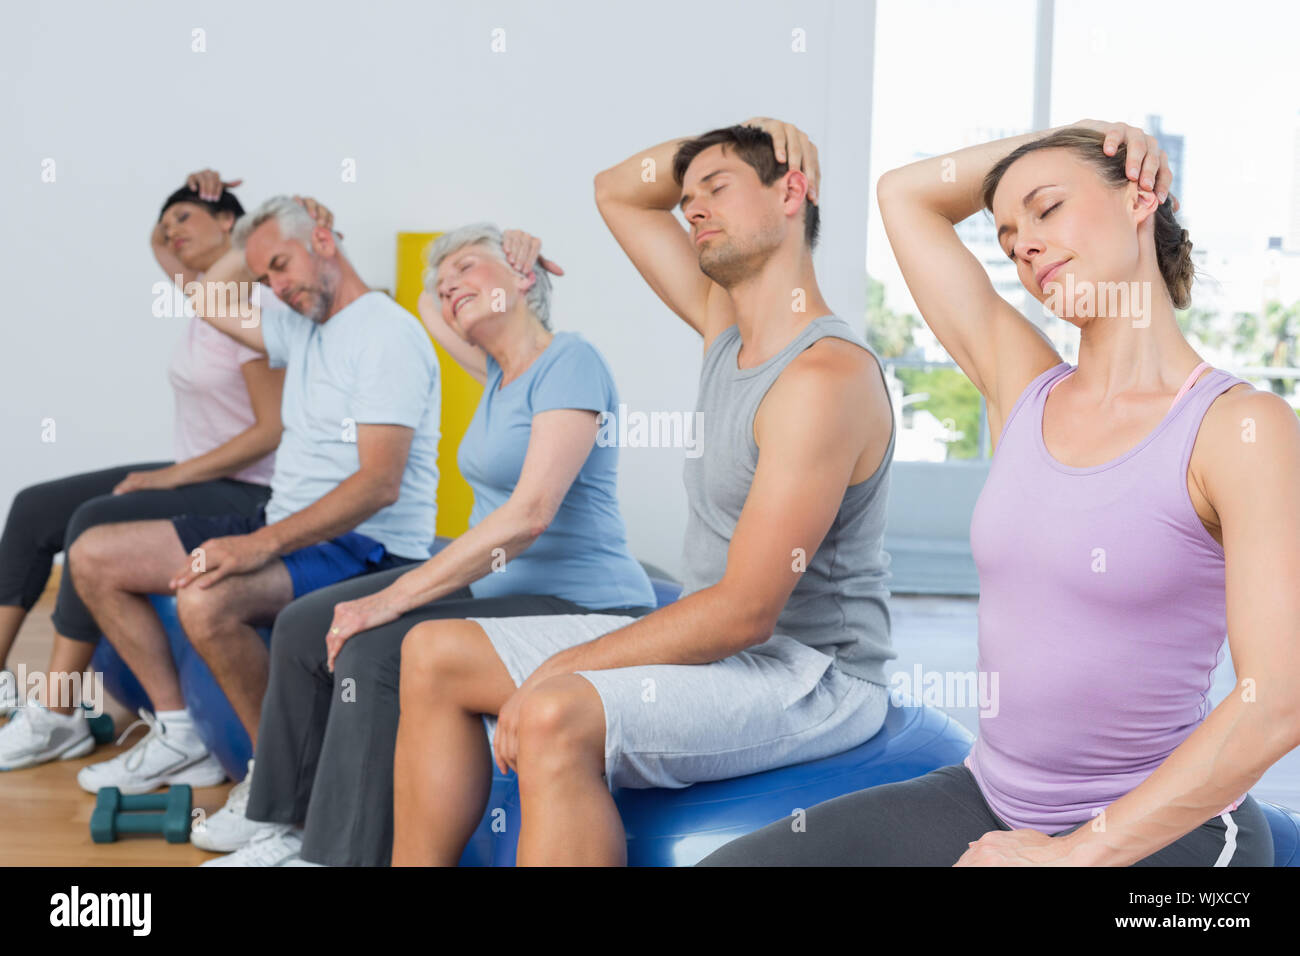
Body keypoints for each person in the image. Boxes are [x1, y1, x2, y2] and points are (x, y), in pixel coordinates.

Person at [700, 119, 1300, 867]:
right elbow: (906, 196)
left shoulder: (1242, 427)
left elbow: (1275, 702)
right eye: (1009, 238)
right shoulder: (1024, 386)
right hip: (989, 798)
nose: (1026, 248)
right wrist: (1070, 135)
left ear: (1141, 193)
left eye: (1047, 209)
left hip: (1178, 836)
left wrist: (1069, 857)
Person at [388, 117, 897, 866]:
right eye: (687, 196)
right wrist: (746, 132)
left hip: (811, 675)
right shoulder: (726, 327)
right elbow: (618, 191)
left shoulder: (825, 378)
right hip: (730, 655)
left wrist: (562, 668)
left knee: (557, 711)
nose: (691, 207)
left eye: (717, 188)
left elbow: (745, 613)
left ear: (793, 190)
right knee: (431, 651)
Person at [198, 224, 658, 866]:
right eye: (445, 287)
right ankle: (286, 825)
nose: (449, 292)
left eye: (468, 270)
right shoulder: (498, 371)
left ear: (521, 279)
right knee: (307, 624)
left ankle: (338, 858)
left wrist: (391, 600)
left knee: (377, 653)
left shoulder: (570, 362)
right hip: (506, 590)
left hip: (579, 602)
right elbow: (421, 305)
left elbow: (529, 516)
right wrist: (466, 268)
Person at [67, 189, 442, 796]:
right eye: (265, 274)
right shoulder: (301, 326)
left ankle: (277, 790)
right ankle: (182, 733)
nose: (274, 285)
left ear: (323, 240)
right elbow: (207, 296)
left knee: (206, 603)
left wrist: (256, 547)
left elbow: (379, 483)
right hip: (288, 523)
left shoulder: (386, 335)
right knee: (93, 555)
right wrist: (252, 240)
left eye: (282, 265)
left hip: (365, 546)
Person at [0, 175, 282, 769]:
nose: (172, 231)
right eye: (167, 222)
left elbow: (270, 429)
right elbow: (158, 246)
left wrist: (170, 480)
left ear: (231, 223)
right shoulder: (203, 294)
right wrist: (182, 202)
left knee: (94, 519)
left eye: (185, 217)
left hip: (251, 489)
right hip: (199, 474)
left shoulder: (251, 304)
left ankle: (57, 714)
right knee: (33, 506)